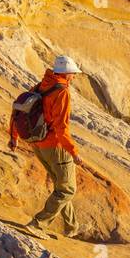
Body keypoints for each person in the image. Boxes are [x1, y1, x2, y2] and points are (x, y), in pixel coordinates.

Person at [10, 54, 82, 236]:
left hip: (38, 145)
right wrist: (73, 151)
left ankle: (72, 228)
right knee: (67, 189)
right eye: (73, 74)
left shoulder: (41, 86)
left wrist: (14, 137)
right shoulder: (62, 92)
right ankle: (38, 224)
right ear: (66, 74)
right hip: (55, 146)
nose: (73, 77)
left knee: (61, 185)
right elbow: (61, 126)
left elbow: (19, 109)